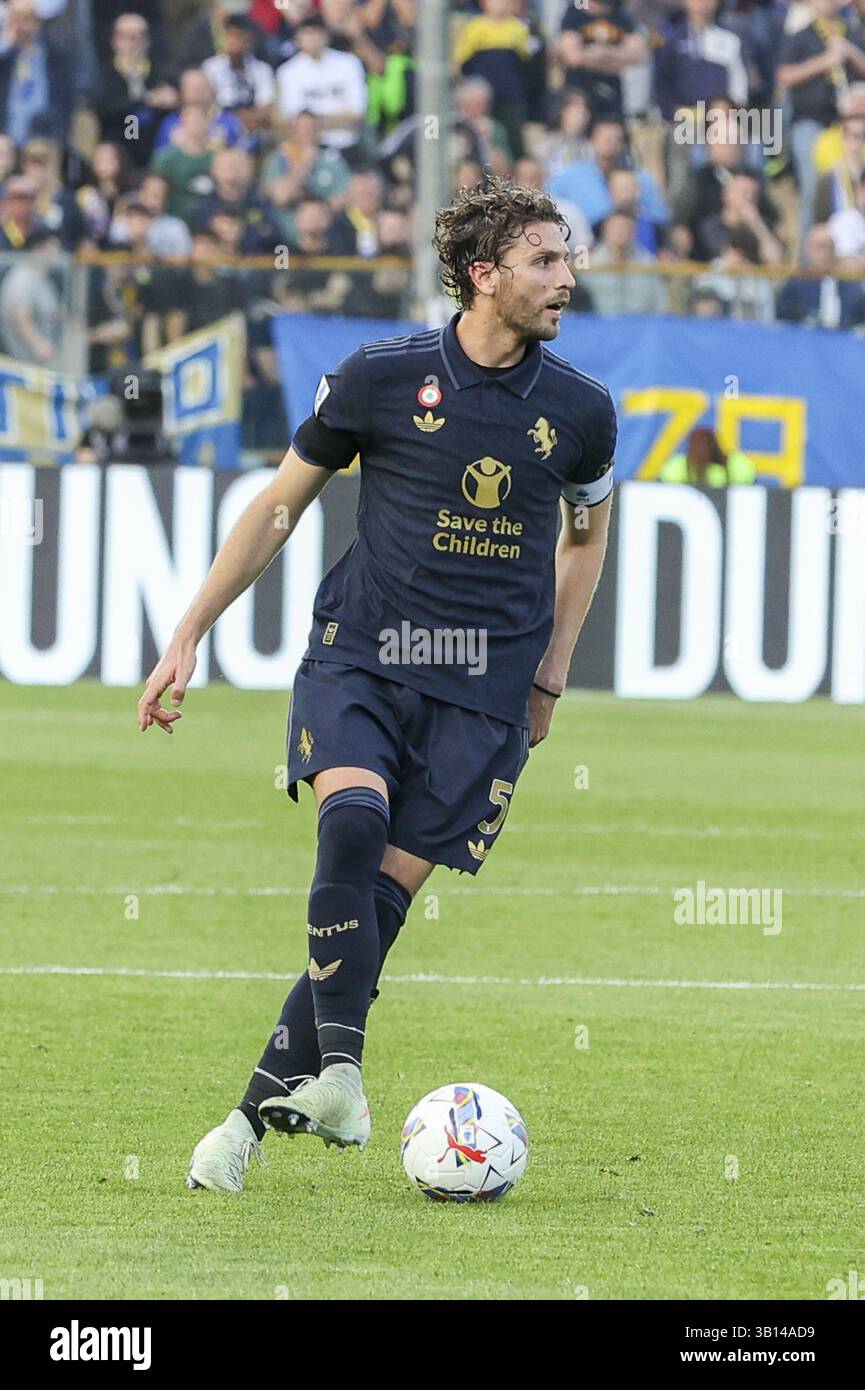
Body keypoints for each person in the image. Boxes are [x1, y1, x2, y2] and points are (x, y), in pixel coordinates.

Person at [137, 176, 617, 1192]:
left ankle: (242, 1124)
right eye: (544, 260)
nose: (565, 277)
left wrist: (553, 670)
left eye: (566, 258)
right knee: (347, 827)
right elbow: (278, 508)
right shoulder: (378, 377)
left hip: (483, 692)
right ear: (482, 275)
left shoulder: (578, 412)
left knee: (376, 912)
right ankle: (345, 1073)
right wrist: (189, 630)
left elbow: (588, 534)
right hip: (363, 650)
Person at [660, 426, 756, 484]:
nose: (702, 450)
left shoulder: (737, 466)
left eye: (706, 445)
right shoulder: (677, 467)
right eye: (698, 445)